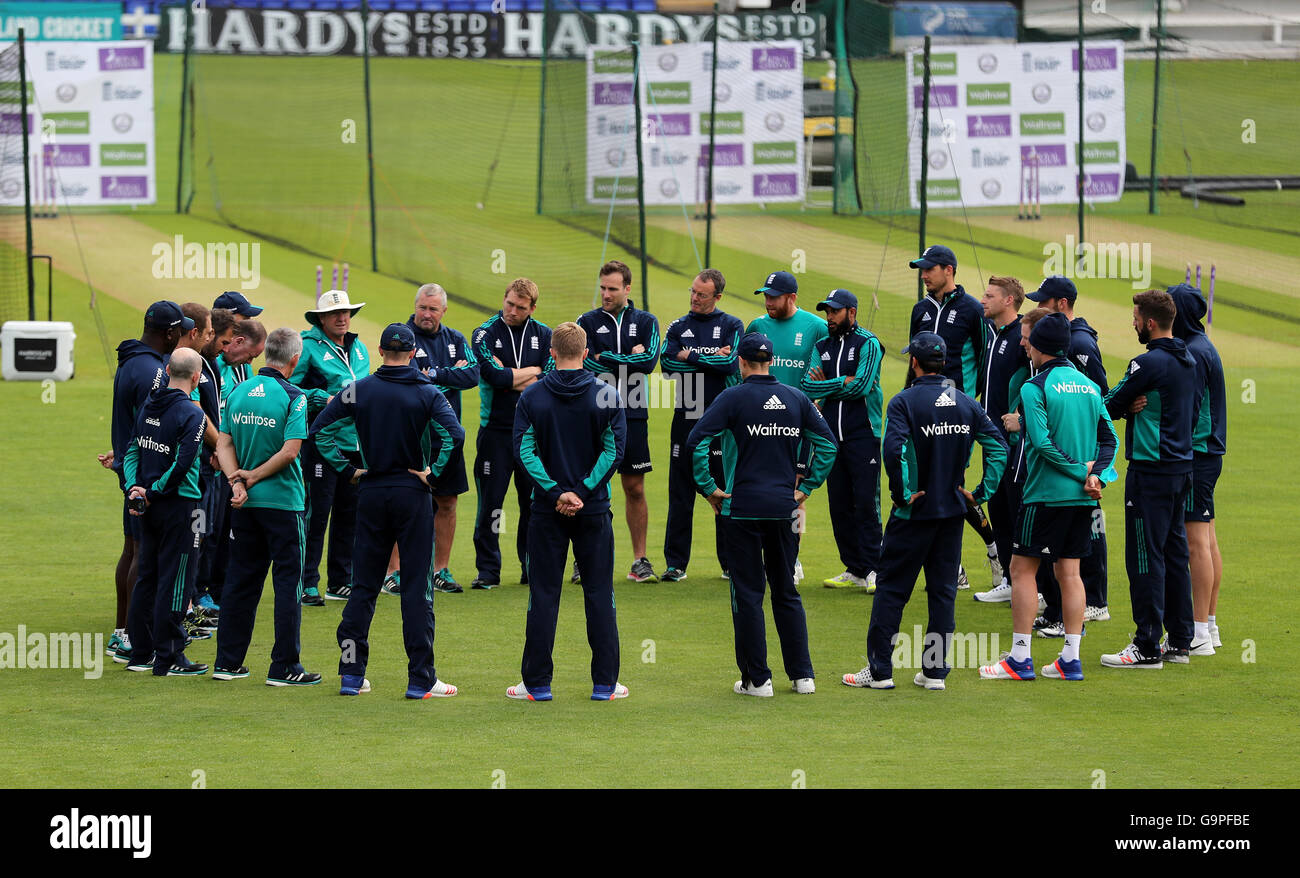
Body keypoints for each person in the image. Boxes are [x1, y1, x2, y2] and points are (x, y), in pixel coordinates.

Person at [843, 332, 1007, 692]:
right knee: (943, 594)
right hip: (951, 515)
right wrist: (980, 493)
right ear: (943, 362)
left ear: (914, 362)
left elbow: (893, 450)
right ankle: (934, 673)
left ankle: (880, 671)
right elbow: (998, 447)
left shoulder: (904, 402)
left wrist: (901, 494)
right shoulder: (966, 403)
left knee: (891, 591)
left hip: (912, 515)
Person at [309, 323, 465, 699]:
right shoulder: (427, 391)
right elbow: (455, 434)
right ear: (412, 354)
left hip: (372, 492)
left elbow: (320, 430)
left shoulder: (358, 389)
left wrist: (348, 471)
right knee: (416, 588)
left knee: (363, 586)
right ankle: (420, 678)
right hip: (412, 494)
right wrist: (434, 474)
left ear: (380, 351)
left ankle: (351, 674)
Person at [686, 332, 838, 697]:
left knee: (748, 594)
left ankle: (758, 680)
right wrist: (806, 487)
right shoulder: (796, 397)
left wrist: (709, 488)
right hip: (784, 510)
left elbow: (696, 441)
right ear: (770, 361)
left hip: (741, 510)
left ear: (741, 362)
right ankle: (803, 677)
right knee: (786, 590)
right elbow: (828, 445)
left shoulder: (732, 397)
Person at [979, 313, 1118, 682]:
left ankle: (1020, 659)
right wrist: (1095, 475)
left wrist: (1078, 472)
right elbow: (1110, 439)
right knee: (1070, 573)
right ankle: (1070, 659)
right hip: (1084, 499)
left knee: (1021, 570)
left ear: (1040, 347)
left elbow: (1041, 443)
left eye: (1029, 340)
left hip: (1044, 495)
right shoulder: (1089, 387)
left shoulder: (1033, 387)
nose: (1024, 344)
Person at [507, 322, 628, 702]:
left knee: (543, 594)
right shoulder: (607, 394)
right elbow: (614, 451)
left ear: (552, 353)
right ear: (586, 352)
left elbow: (524, 451)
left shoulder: (532, 396)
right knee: (599, 593)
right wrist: (582, 492)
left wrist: (557, 493)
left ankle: (537, 684)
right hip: (593, 510)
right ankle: (605, 684)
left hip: (547, 512)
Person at [212, 327, 320, 686]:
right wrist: (253, 477)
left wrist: (237, 483)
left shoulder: (238, 391)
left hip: (244, 505)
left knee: (240, 582)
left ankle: (227, 663)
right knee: (288, 585)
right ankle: (284, 666)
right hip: (284, 504)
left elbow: (223, 445)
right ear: (294, 359)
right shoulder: (295, 397)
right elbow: (290, 452)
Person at [1101, 290, 1199, 669]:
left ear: (1151, 323)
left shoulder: (1146, 364)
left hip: (1150, 471)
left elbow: (1107, 405)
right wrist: (1133, 405)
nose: (1134, 323)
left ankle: (1146, 645)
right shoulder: (1189, 359)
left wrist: (1127, 406)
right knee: (1175, 554)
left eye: (1136, 318)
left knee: (1145, 555)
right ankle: (1180, 641)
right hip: (1181, 469)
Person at [99, 301, 191, 661]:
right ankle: (136, 638)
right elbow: (152, 423)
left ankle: (123, 633)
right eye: (179, 330)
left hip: (130, 470)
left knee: (132, 549)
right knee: (143, 554)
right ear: (169, 333)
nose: (182, 336)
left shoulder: (131, 360)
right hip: (144, 476)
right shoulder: (153, 371)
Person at [383, 283, 480, 595]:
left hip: (447, 438)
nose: (426, 314)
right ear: (415, 306)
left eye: (433, 309)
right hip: (412, 437)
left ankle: (440, 570)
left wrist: (433, 374)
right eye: (422, 308)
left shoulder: (456, 339)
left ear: (444, 310)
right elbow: (410, 378)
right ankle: (393, 571)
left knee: (447, 502)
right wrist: (450, 374)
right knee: (403, 503)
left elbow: (473, 375)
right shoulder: (403, 336)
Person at [1026, 275, 1112, 623]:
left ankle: (1094, 601)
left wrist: (1091, 471)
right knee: (1069, 562)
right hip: (1083, 471)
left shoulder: (1079, 345)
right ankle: (1069, 623)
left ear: (1062, 304)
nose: (1039, 308)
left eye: (1043, 302)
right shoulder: (1065, 346)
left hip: (1068, 473)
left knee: (1075, 546)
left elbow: (1101, 397)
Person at [121, 347, 208, 677]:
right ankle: (169, 655)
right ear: (196, 378)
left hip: (147, 505)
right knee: (177, 579)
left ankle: (140, 653)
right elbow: (182, 464)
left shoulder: (149, 404)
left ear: (168, 370)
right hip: (179, 506)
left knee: (148, 575)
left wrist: (135, 488)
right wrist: (154, 491)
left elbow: (133, 450)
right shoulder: (193, 415)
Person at [908, 245, 990, 591]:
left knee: (951, 486)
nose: (924, 275)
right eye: (922, 269)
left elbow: (986, 361)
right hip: (922, 411)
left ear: (949, 270)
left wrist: (970, 404)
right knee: (926, 484)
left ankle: (991, 549)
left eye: (929, 269)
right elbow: (913, 360)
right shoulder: (921, 310)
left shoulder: (973, 309)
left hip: (958, 414)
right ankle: (953, 566)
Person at [577, 260, 662, 583]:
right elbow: (584, 364)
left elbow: (649, 362)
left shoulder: (646, 321)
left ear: (628, 288)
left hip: (633, 411)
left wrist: (608, 357)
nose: (606, 294)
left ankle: (640, 560)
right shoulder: (586, 321)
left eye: (612, 289)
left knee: (634, 487)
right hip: (594, 412)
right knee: (589, 484)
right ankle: (584, 559)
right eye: (602, 288)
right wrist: (629, 358)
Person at [659, 269, 744, 582]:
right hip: (686, 416)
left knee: (723, 492)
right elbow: (667, 365)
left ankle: (730, 563)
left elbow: (731, 364)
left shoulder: (732, 325)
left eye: (702, 294)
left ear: (717, 297)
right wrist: (710, 359)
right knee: (680, 495)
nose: (694, 298)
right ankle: (676, 565)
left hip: (721, 422)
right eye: (693, 291)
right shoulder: (678, 326)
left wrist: (691, 355)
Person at [799, 289, 884, 591]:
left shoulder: (869, 343)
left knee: (866, 503)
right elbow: (807, 386)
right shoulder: (821, 345)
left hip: (864, 434)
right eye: (827, 312)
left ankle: (875, 569)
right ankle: (855, 568)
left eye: (835, 311)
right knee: (839, 505)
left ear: (852, 312)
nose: (829, 317)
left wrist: (827, 385)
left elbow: (861, 387)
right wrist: (839, 382)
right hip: (831, 437)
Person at [470, 278, 553, 589]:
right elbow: (493, 375)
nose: (513, 311)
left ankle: (531, 567)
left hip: (533, 434)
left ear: (532, 308)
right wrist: (531, 372)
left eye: (520, 307)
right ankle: (488, 571)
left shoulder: (545, 335)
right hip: (495, 433)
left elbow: (549, 378)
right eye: (509, 304)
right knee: (491, 503)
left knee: (532, 503)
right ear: (503, 299)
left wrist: (512, 376)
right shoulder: (484, 333)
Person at [747, 270, 829, 585]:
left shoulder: (816, 327)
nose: (768, 302)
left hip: (797, 423)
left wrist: (818, 403)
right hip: (759, 423)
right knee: (759, 485)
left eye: (774, 297)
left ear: (792, 297)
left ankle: (792, 558)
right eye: (765, 296)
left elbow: (827, 370)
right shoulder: (757, 326)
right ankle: (763, 557)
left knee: (795, 493)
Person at [291, 289, 371, 606]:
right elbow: (289, 386)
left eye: (345, 312)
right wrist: (319, 398)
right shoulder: (307, 347)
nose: (341, 318)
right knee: (317, 514)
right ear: (321, 319)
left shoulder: (359, 348)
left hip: (354, 443)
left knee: (349, 514)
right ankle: (307, 582)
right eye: (334, 313)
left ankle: (340, 581)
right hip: (321, 442)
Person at [1168, 282, 1225, 655]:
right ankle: (1210, 625)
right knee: (1207, 538)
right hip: (1207, 455)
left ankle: (1199, 630)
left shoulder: (1194, 351)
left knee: (1195, 542)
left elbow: (1195, 413)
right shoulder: (1202, 345)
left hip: (1198, 455)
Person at [204, 316, 266, 616]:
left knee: (226, 529)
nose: (251, 361)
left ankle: (217, 590)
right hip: (211, 461)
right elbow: (204, 413)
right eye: (250, 355)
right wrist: (220, 447)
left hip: (232, 462)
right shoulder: (212, 364)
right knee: (207, 530)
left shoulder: (243, 368)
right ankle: (199, 593)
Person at [971, 276, 1028, 600]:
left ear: (1009, 301)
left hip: (1012, 443)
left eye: (990, 295)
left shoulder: (1021, 336)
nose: (983, 299)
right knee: (999, 508)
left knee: (1015, 509)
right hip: (991, 439)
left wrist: (1021, 418)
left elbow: (1034, 381)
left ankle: (1028, 583)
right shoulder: (993, 333)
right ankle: (1009, 579)